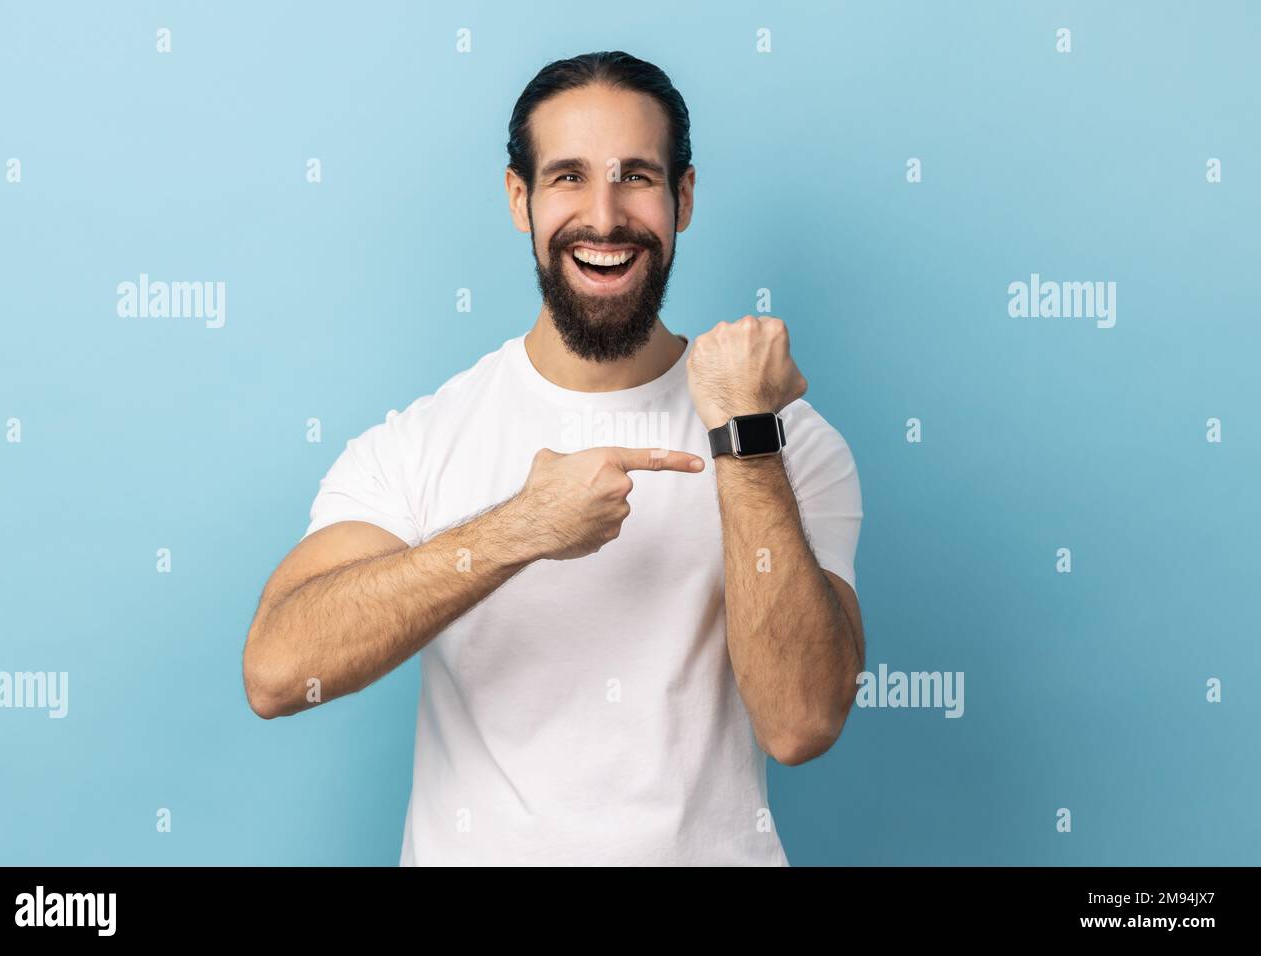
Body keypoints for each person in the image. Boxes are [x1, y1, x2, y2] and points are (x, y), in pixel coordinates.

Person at [242, 50, 864, 866]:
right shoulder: (423, 442)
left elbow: (801, 723)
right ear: (519, 199)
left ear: (682, 198)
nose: (604, 217)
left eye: (636, 177)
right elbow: (278, 674)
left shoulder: (785, 441)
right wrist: (517, 530)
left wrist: (744, 434)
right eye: (568, 177)